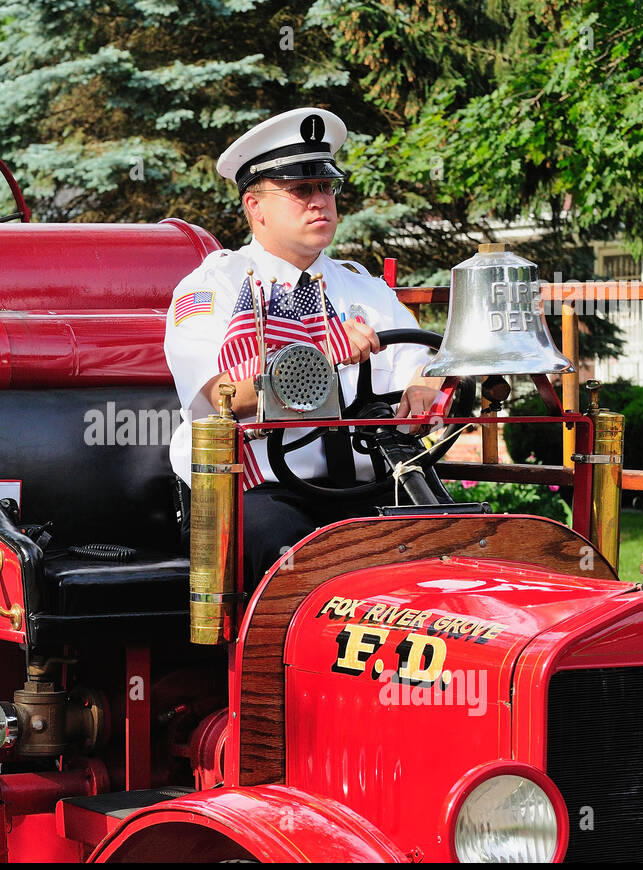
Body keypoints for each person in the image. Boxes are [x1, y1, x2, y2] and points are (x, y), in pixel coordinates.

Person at [164, 107, 449, 590]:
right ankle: (270, 667)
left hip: (367, 483)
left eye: (327, 187)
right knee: (292, 561)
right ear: (255, 206)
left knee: (450, 543)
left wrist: (426, 389)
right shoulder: (213, 290)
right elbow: (223, 395)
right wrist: (322, 351)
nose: (320, 201)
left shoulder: (363, 286)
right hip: (258, 488)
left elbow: (424, 362)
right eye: (300, 190)